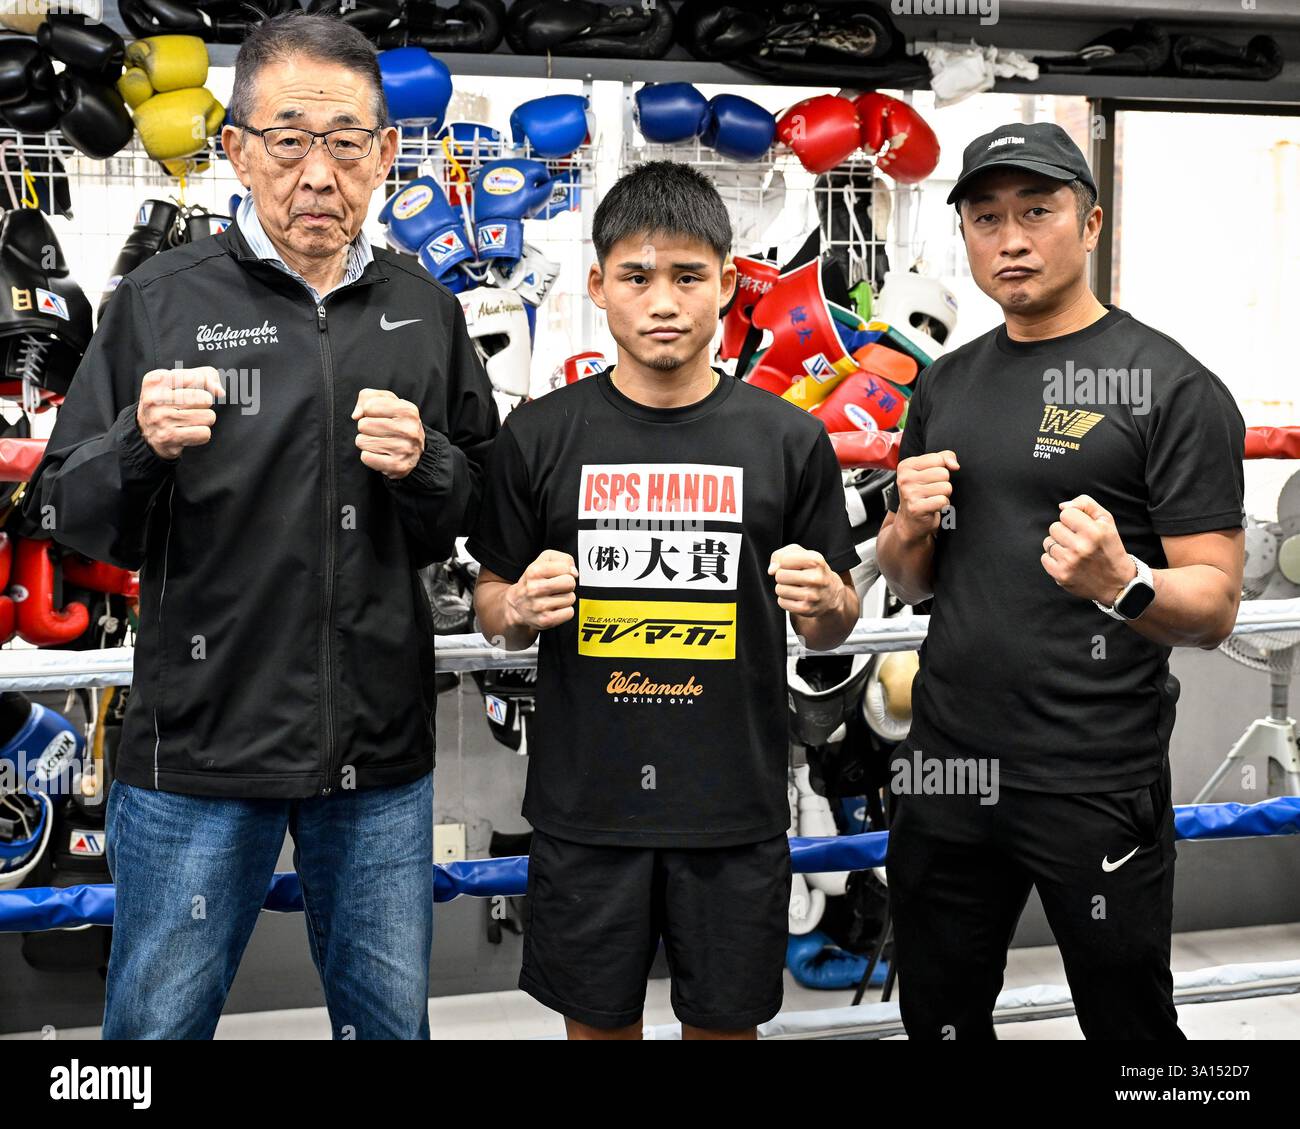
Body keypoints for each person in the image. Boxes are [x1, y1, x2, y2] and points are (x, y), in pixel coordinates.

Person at [22, 12, 498, 1039]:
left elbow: (482, 506)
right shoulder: (156, 301)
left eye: (345, 142)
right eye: (287, 138)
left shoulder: (426, 310)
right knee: (151, 1036)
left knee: (389, 1030)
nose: (316, 173)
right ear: (235, 148)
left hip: (375, 756)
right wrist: (138, 443)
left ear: (385, 152)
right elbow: (61, 510)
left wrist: (431, 467)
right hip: (199, 752)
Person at [469, 160, 861, 1040]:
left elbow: (836, 620)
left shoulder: (791, 439)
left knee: (725, 1028)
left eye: (688, 276)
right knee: (597, 1029)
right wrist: (517, 609)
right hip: (587, 805)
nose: (663, 302)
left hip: (732, 803)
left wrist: (826, 598)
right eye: (638, 277)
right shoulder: (537, 434)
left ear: (726, 283)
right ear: (601, 285)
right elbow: (491, 604)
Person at [876, 122, 1246, 1040]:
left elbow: (1216, 604)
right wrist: (906, 526)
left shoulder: (1169, 385)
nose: (1009, 238)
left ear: (1089, 223)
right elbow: (912, 581)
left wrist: (1121, 581)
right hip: (948, 765)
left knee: (1131, 1032)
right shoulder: (946, 382)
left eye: (1036, 211)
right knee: (939, 1019)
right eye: (986, 216)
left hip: (1089, 776)